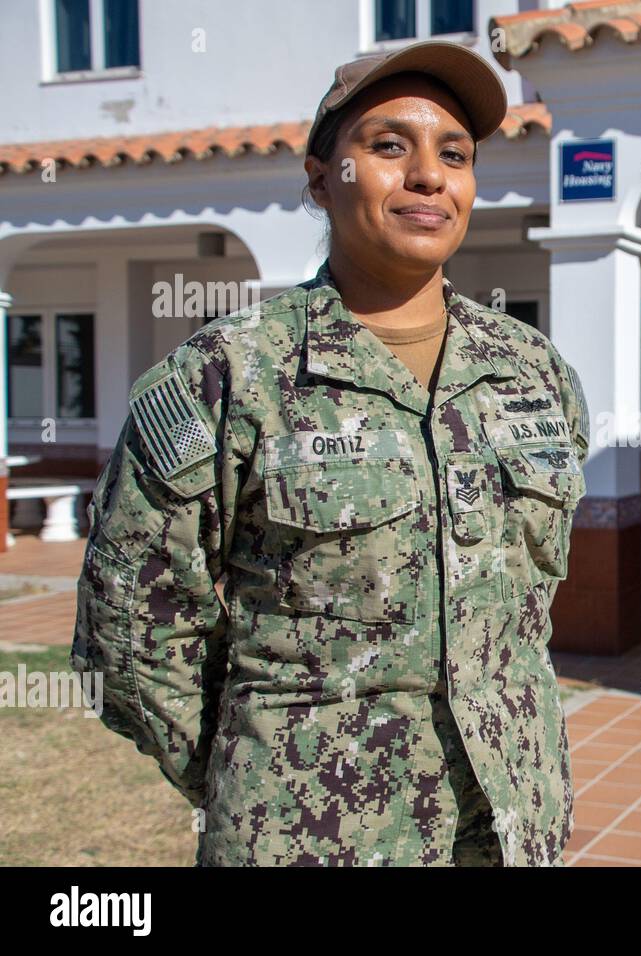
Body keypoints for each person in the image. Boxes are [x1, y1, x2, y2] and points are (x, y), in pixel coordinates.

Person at [70, 39, 589, 867]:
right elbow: (130, 637)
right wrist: (259, 768)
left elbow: (531, 605)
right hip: (310, 839)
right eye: (389, 146)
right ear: (321, 178)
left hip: (512, 825)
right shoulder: (226, 376)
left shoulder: (532, 370)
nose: (428, 176)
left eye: (453, 155)